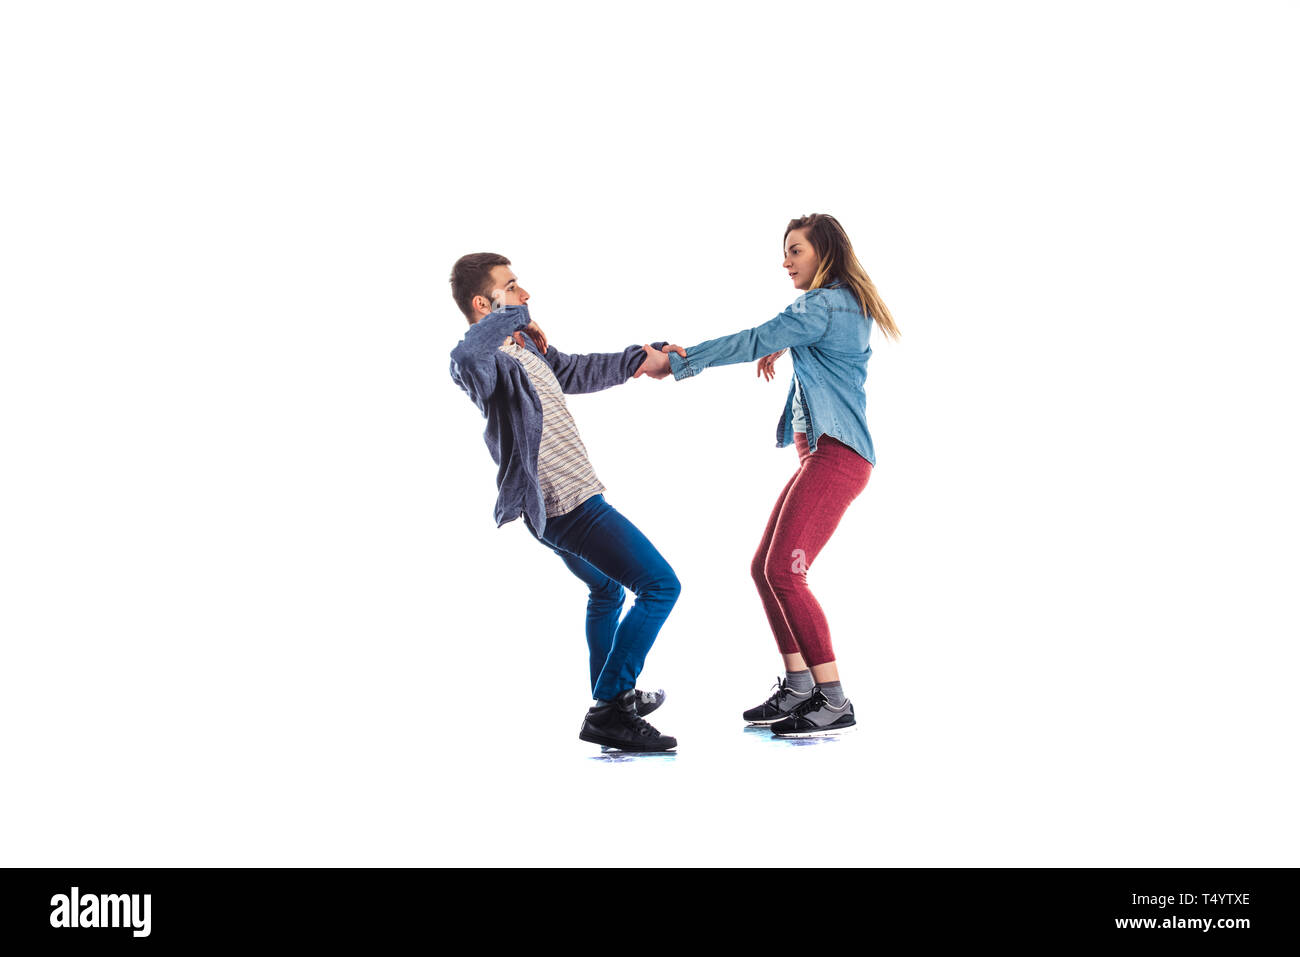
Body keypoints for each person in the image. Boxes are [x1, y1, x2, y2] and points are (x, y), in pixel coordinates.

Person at [637, 214, 899, 737]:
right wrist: (789, 343)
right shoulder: (835, 306)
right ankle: (800, 687)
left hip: (838, 456)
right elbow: (786, 337)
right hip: (823, 456)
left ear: (823, 253)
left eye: (795, 252)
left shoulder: (823, 304)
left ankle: (834, 699)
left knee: (784, 572)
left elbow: (755, 337)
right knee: (765, 568)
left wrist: (680, 362)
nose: (785, 262)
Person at [448, 253, 683, 752]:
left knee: (607, 592)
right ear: (482, 302)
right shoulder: (486, 363)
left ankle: (611, 704)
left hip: (565, 504)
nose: (525, 295)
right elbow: (466, 356)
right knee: (661, 586)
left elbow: (575, 371)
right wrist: (516, 317)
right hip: (566, 503)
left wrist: (640, 358)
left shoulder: (525, 351)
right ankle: (610, 705)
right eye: (512, 287)